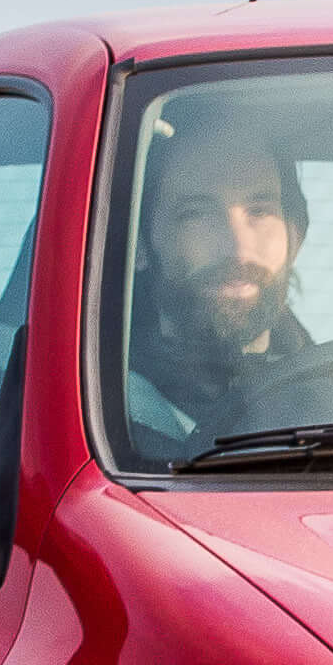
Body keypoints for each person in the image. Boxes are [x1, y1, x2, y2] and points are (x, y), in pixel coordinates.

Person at [120, 108, 314, 451]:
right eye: (196, 213)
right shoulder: (99, 414)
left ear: (294, 238)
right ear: (140, 245)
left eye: (260, 211)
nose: (238, 248)